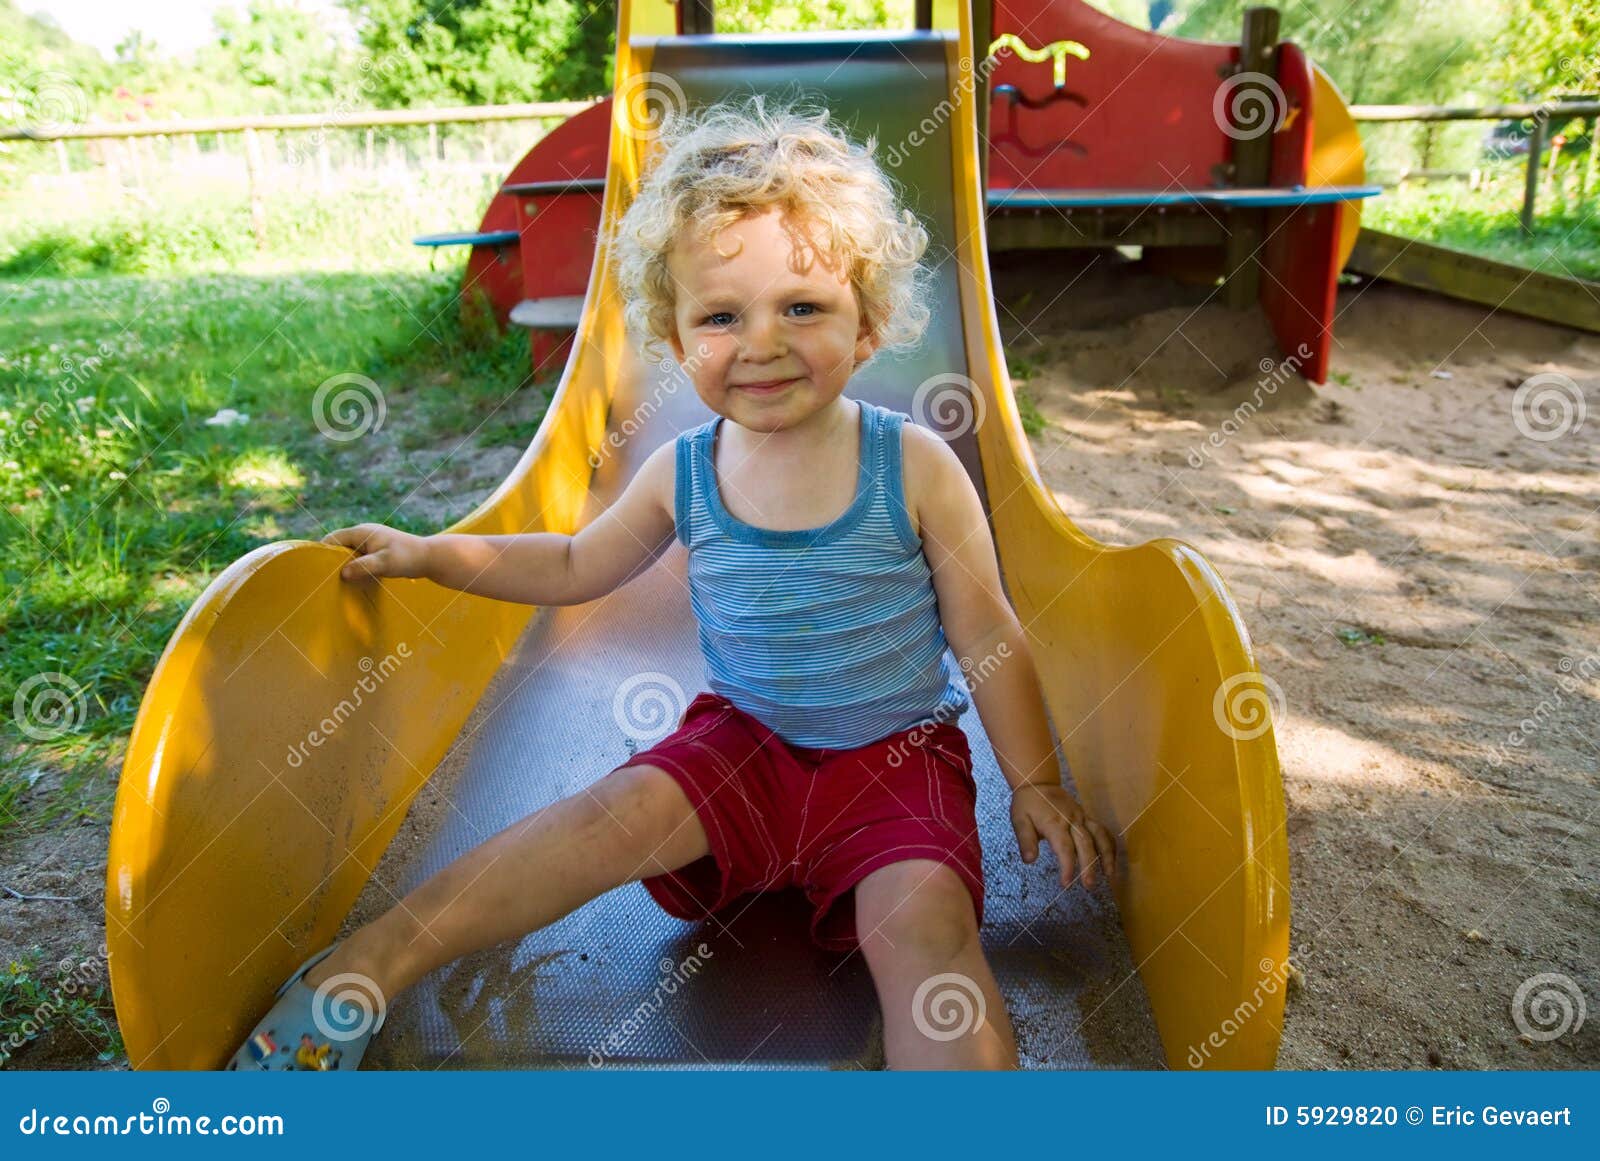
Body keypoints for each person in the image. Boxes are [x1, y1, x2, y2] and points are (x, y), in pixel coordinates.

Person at [226, 94, 1118, 1072]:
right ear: (677, 333)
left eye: (803, 307)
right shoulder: (682, 471)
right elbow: (576, 563)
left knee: (923, 935)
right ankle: (368, 963)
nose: (762, 342)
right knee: (602, 818)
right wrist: (438, 554)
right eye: (722, 316)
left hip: (893, 769)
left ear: (867, 323)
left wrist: (1035, 781)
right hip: (742, 749)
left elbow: (987, 631)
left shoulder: (910, 464)